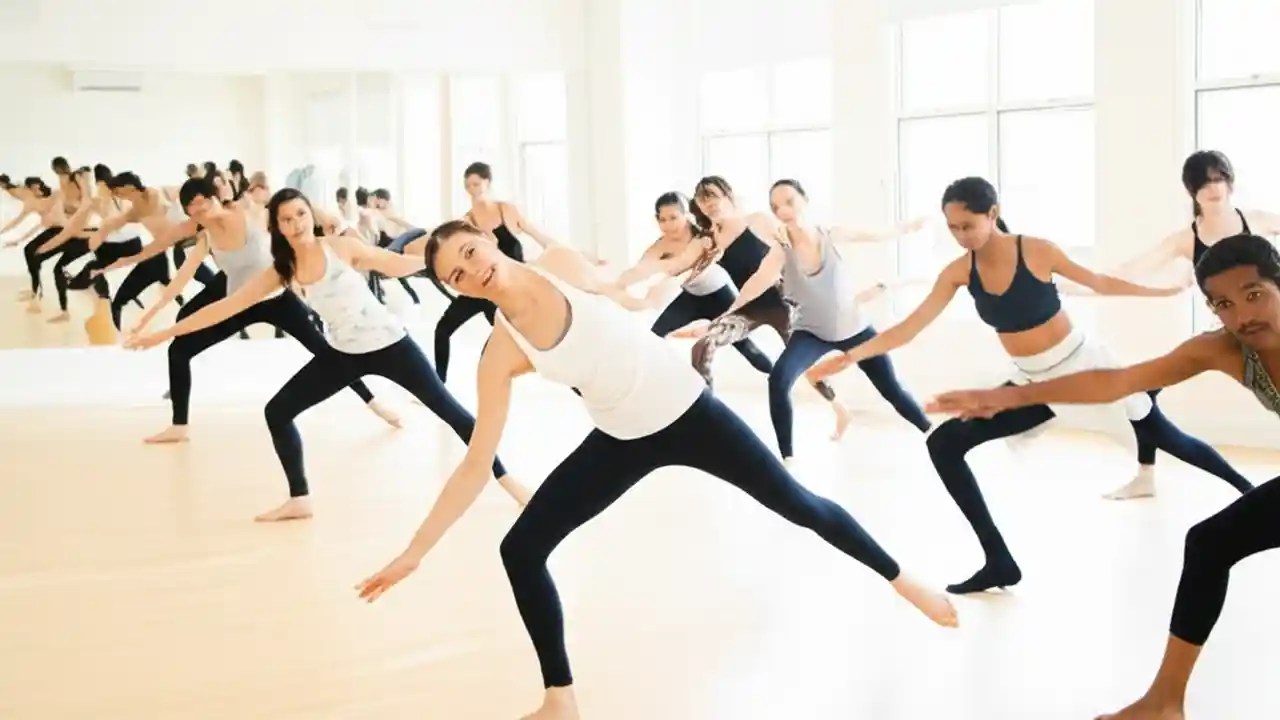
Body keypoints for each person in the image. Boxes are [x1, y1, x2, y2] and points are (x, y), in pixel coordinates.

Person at [354, 219, 959, 720]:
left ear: (487, 241)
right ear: (457, 290)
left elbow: (623, 286)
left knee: (798, 504)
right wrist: (415, 552)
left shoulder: (559, 264)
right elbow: (475, 462)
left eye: (469, 253)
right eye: (456, 275)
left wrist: (668, 277)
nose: (471, 270)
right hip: (621, 439)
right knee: (520, 549)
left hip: (691, 411)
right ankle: (561, 698)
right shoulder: (502, 351)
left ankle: (904, 580)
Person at [807, 176, 1253, 594]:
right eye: (953, 228)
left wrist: (1162, 293)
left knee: (1168, 438)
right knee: (944, 444)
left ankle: (1252, 494)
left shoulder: (1037, 251)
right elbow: (911, 326)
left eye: (968, 225)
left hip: (1084, 369)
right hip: (1033, 383)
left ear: (993, 213)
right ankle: (999, 560)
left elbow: (1099, 282)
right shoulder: (959, 272)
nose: (961, 235)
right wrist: (851, 356)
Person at [928, 233, 1280, 720]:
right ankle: (1163, 704)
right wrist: (1008, 397)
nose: (1242, 316)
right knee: (1209, 544)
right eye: (1223, 304)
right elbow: (1116, 381)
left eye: (1254, 294)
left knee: (1210, 541)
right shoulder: (1223, 349)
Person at [125, 189, 526, 520]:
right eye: (286, 219)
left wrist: (440, 260)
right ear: (277, 227)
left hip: (391, 345)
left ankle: (508, 481)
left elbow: (394, 264)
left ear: (310, 216)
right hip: (344, 354)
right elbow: (226, 307)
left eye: (300, 214)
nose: (296, 223)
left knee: (452, 412)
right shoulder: (282, 270)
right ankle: (299, 498)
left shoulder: (340, 247)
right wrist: (165, 333)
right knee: (277, 412)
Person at [125, 177, 399, 444]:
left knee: (326, 351)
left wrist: (327, 219)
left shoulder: (252, 214)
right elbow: (180, 281)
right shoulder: (206, 239)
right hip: (240, 304)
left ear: (214, 198)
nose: (199, 210)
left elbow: (289, 204)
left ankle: (375, 403)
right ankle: (179, 426)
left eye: (202, 202)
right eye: (192, 208)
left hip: (277, 299)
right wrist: (147, 318)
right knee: (179, 350)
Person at [674, 179, 931, 460]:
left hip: (847, 327)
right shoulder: (772, 249)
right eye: (776, 207)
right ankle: (787, 458)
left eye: (789, 202)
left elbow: (876, 235)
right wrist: (722, 316)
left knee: (891, 390)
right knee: (778, 380)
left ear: (805, 200)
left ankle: (930, 432)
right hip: (807, 331)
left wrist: (908, 228)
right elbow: (756, 281)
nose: (783, 210)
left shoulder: (826, 234)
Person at [688, 175, 853, 437]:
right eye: (703, 200)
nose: (710, 205)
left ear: (728, 196)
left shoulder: (757, 221)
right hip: (748, 308)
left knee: (805, 364)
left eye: (714, 197)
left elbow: (793, 247)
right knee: (703, 345)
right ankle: (707, 419)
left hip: (782, 302)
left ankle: (839, 408)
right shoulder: (712, 240)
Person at [432, 162, 560, 384]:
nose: (472, 190)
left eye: (476, 184)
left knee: (532, 341)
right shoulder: (466, 222)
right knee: (443, 330)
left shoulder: (506, 210)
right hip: (480, 290)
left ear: (487, 182)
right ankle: (438, 385)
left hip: (507, 290)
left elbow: (537, 235)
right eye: (468, 186)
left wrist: (565, 252)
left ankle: (579, 384)